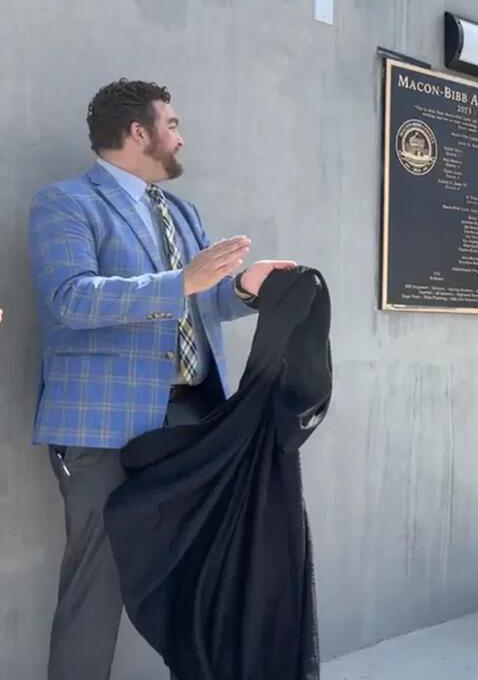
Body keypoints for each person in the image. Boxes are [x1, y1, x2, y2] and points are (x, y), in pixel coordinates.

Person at [28, 78, 296, 680]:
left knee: (200, 573)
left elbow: (204, 304)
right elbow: (70, 299)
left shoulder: (181, 212)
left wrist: (247, 289)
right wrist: (183, 282)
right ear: (138, 133)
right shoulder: (66, 203)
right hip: (103, 430)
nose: (180, 136)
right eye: (171, 124)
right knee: (95, 585)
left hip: (193, 419)